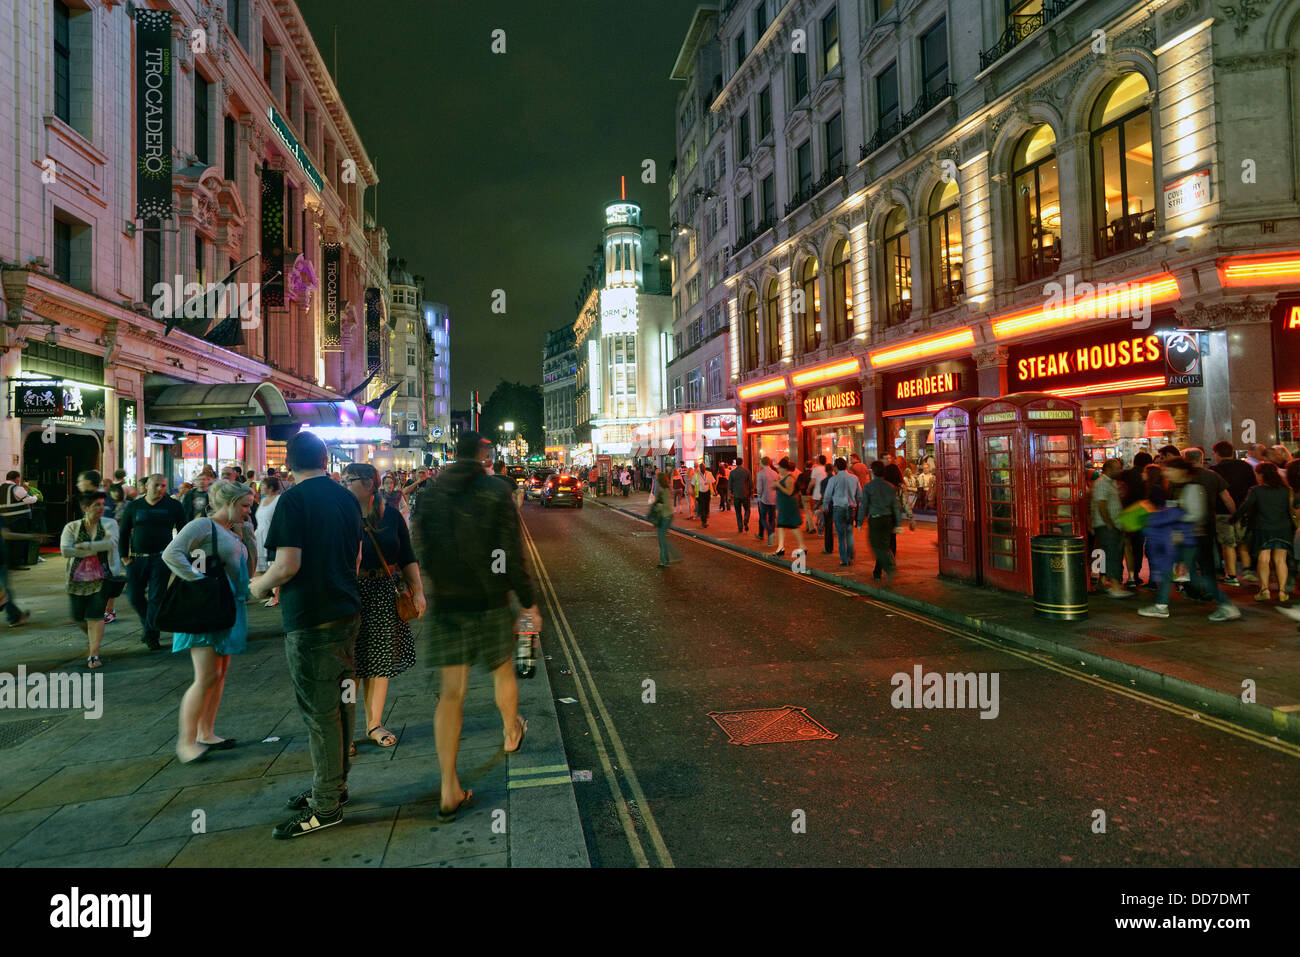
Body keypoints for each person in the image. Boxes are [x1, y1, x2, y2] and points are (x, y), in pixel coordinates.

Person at [411, 432, 538, 822]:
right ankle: (511, 732)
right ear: (484, 454)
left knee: (451, 694)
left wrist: (433, 588)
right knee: (502, 669)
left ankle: (449, 786)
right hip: (489, 600)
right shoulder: (494, 490)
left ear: (453, 454)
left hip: (448, 603)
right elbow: (509, 551)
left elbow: (423, 548)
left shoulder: (430, 494)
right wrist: (527, 600)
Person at [250, 431, 363, 839]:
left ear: (288, 463)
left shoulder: (292, 500)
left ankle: (326, 804)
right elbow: (357, 554)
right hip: (347, 612)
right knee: (343, 702)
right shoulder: (345, 497)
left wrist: (259, 587)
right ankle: (336, 785)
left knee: (320, 713)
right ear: (326, 457)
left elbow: (288, 564)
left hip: (311, 617)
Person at [164, 480, 255, 764]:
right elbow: (171, 553)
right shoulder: (203, 526)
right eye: (244, 506)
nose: (247, 511)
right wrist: (199, 581)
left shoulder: (232, 530)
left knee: (218, 675)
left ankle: (206, 732)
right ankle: (186, 742)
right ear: (227, 503)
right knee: (206, 676)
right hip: (207, 609)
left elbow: (247, 571)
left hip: (228, 608)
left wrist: (248, 535)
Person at [343, 463, 424, 752]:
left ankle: (374, 724)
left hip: (382, 593)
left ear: (368, 484)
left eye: (348, 479)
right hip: (349, 592)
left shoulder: (390, 515)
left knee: (379, 662)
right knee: (349, 666)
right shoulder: (340, 514)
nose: (343, 483)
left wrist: (418, 592)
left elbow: (407, 555)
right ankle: (344, 731)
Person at [1139, 458, 1241, 621]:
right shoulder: (1177, 487)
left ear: (1181, 471)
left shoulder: (1192, 488)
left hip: (1188, 539)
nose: (1166, 473)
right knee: (1173, 572)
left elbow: (1196, 514)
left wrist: (1171, 517)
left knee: (1191, 577)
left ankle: (1225, 604)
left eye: (1170, 470)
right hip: (1181, 539)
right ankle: (1161, 606)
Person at [117, 474, 186, 651]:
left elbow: (184, 532)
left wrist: (180, 555)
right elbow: (123, 532)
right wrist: (124, 556)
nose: (160, 489)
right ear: (146, 485)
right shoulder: (135, 506)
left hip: (162, 559)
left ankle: (151, 635)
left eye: (163, 486)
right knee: (134, 596)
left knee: (156, 598)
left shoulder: (173, 506)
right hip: (137, 559)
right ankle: (150, 625)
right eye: (156, 485)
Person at [59, 490, 123, 669]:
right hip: (76, 579)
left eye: (103, 504)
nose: (102, 508)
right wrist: (95, 548)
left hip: (102, 576)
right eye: (97, 505)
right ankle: (92, 637)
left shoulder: (109, 523)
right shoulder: (72, 527)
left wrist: (84, 546)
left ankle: (94, 653)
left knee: (95, 615)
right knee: (78, 616)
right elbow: (65, 550)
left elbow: (111, 543)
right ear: (85, 507)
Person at [1238, 462, 1296, 602]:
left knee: (1264, 559)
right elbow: (1291, 510)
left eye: (1257, 474)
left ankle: (1264, 590)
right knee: (1280, 560)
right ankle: (1282, 591)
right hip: (1283, 528)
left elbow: (1246, 506)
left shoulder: (1256, 490)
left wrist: (1235, 518)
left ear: (1261, 475)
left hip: (1263, 527)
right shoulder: (1286, 490)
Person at [1211, 440, 1257, 586]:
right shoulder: (1246, 467)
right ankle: (1248, 570)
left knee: (1228, 544)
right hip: (1244, 511)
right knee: (1242, 542)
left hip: (1223, 512)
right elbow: (1253, 486)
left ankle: (1231, 575)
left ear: (1217, 454)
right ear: (1232, 452)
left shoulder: (1215, 470)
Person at [1090, 458, 1132, 598]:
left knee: (1106, 553)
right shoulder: (1102, 483)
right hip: (1107, 525)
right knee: (1112, 555)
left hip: (1113, 524)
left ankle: (1102, 583)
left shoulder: (1111, 483)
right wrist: (1109, 523)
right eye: (1117, 468)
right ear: (1108, 469)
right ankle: (1115, 586)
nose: (1120, 470)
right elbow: (1101, 504)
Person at [858, 461, 904, 581]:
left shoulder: (869, 486)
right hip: (888, 519)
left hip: (875, 519)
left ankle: (889, 567)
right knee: (884, 544)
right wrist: (898, 523)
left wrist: (859, 521)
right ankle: (887, 566)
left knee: (875, 544)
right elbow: (895, 506)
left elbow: (864, 505)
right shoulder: (891, 487)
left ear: (873, 472)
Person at [823, 457, 860, 567]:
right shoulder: (854, 478)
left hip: (838, 508)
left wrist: (825, 505)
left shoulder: (833, 479)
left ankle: (844, 559)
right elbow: (860, 495)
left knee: (840, 535)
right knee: (849, 532)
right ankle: (850, 555)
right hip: (851, 508)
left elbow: (828, 494)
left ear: (836, 467)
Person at [253, 475, 284, 608]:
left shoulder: (279, 499)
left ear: (271, 487)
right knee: (263, 566)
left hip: (271, 535)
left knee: (274, 565)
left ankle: (276, 595)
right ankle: (270, 594)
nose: (260, 488)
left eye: (263, 485)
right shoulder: (263, 500)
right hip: (260, 535)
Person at [0, 470, 38, 571]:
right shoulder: (16, 488)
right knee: (19, 542)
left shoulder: (1, 488)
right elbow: (28, 500)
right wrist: (35, 497)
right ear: (17, 478)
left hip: (4, 519)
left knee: (8, 542)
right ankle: (16, 564)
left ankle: (7, 564)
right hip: (18, 519)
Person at [771, 458, 805, 558]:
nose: (778, 469)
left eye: (779, 467)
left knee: (793, 526)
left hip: (789, 506)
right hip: (783, 506)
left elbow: (789, 492)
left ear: (784, 468)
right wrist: (775, 486)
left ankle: (802, 546)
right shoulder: (783, 477)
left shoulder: (789, 478)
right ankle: (781, 547)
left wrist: (778, 485)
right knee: (782, 526)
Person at [649, 469, 680, 567]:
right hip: (663, 516)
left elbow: (666, 505)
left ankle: (669, 558)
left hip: (666, 516)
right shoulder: (661, 489)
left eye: (657, 479)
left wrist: (657, 507)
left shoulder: (665, 490)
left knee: (662, 539)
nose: (656, 480)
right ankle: (665, 560)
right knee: (661, 539)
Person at [756, 456, 779, 545]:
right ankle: (771, 539)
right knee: (772, 518)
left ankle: (770, 532)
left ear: (763, 463)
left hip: (764, 498)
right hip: (773, 498)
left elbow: (759, 488)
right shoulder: (775, 473)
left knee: (762, 518)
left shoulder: (760, 474)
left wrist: (759, 497)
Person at [729, 458, 752, 534]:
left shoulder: (732, 473)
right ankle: (746, 519)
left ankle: (740, 527)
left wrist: (729, 496)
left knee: (738, 512)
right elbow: (751, 484)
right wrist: (751, 493)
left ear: (736, 463)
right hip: (745, 494)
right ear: (742, 463)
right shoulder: (747, 471)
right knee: (747, 509)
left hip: (736, 495)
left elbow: (729, 485)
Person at [691, 460, 715, 528]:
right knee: (702, 507)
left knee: (707, 506)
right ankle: (703, 522)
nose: (702, 468)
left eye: (703, 467)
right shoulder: (696, 475)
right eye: (701, 467)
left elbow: (713, 482)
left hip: (707, 492)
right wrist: (693, 491)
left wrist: (715, 490)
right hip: (700, 493)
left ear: (705, 467)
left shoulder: (709, 474)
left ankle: (705, 518)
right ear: (700, 468)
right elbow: (692, 484)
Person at [808, 456, 828, 532]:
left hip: (817, 494)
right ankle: (823, 525)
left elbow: (812, 482)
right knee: (824, 510)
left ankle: (820, 527)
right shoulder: (827, 469)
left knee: (818, 511)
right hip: (826, 494)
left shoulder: (815, 470)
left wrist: (808, 489)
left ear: (819, 460)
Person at [795, 461, 814, 533]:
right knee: (810, 512)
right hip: (813, 495)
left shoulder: (801, 475)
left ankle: (811, 528)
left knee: (808, 512)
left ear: (804, 466)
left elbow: (797, 485)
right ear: (811, 466)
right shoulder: (813, 474)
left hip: (804, 495)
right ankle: (807, 527)